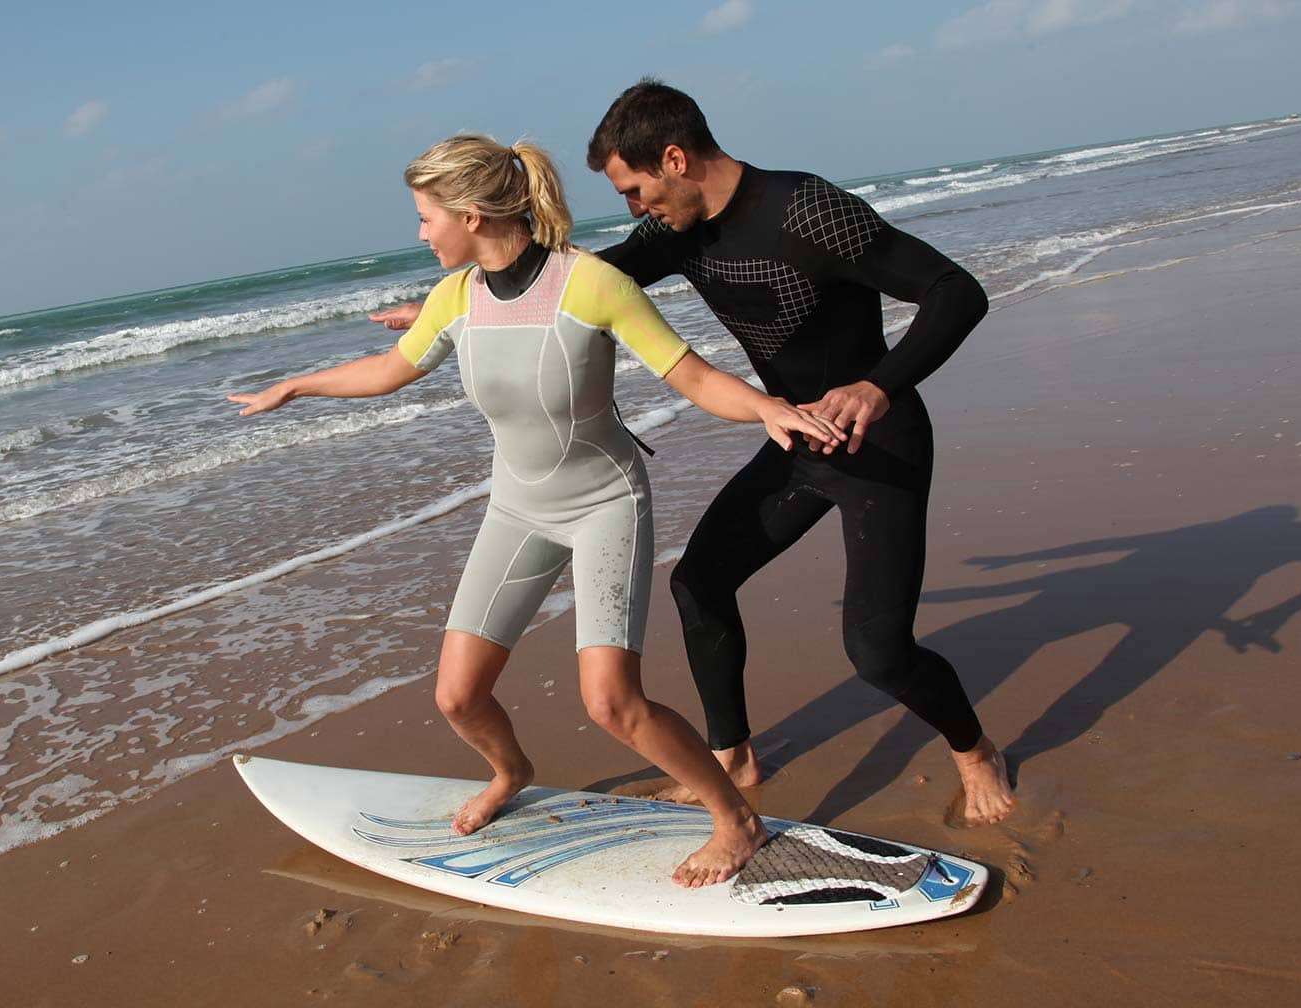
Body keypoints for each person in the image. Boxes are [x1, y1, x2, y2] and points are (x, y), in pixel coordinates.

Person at [372, 82, 1016, 827]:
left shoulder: (806, 209)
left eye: (637, 188)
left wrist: (877, 386)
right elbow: (567, 284)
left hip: (878, 444)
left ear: (675, 158)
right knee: (701, 583)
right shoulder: (677, 231)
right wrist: (451, 309)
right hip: (795, 439)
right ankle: (733, 754)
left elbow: (954, 291)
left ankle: (974, 751)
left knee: (878, 652)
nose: (636, 206)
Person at [230, 134, 845, 886]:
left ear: (471, 213)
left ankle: (735, 818)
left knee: (611, 703)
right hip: (518, 510)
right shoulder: (455, 298)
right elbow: (391, 369)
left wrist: (764, 410)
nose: (421, 233)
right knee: (458, 695)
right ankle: (510, 771)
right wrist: (295, 385)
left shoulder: (589, 284)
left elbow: (690, 374)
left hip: (601, 506)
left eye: (426, 217)